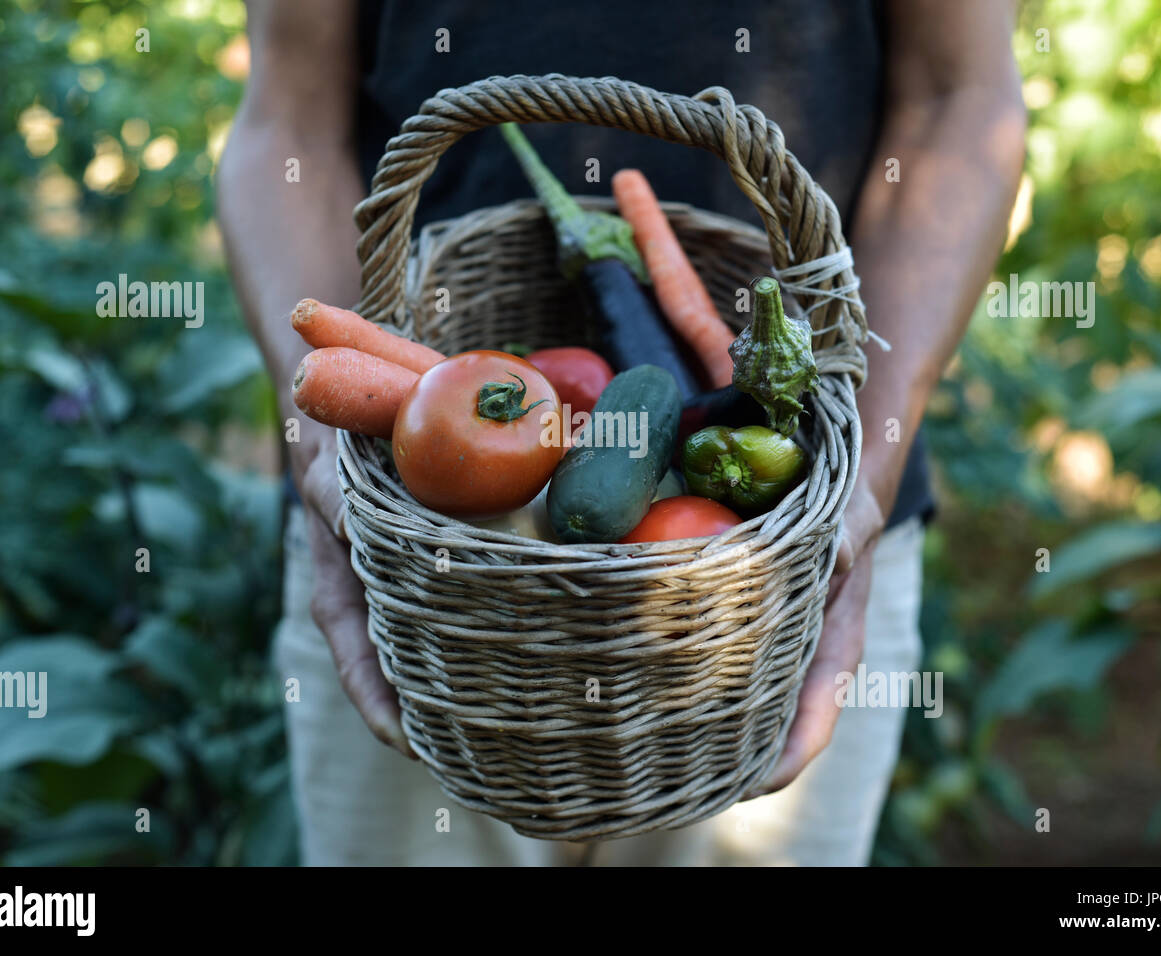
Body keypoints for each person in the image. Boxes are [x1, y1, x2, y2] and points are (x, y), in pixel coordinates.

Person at [217, 0, 1025, 865]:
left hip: (766, 604)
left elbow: (960, 99)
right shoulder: (513, 421)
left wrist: (857, 483)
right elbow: (287, 118)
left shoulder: (705, 440)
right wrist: (327, 462)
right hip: (420, 595)